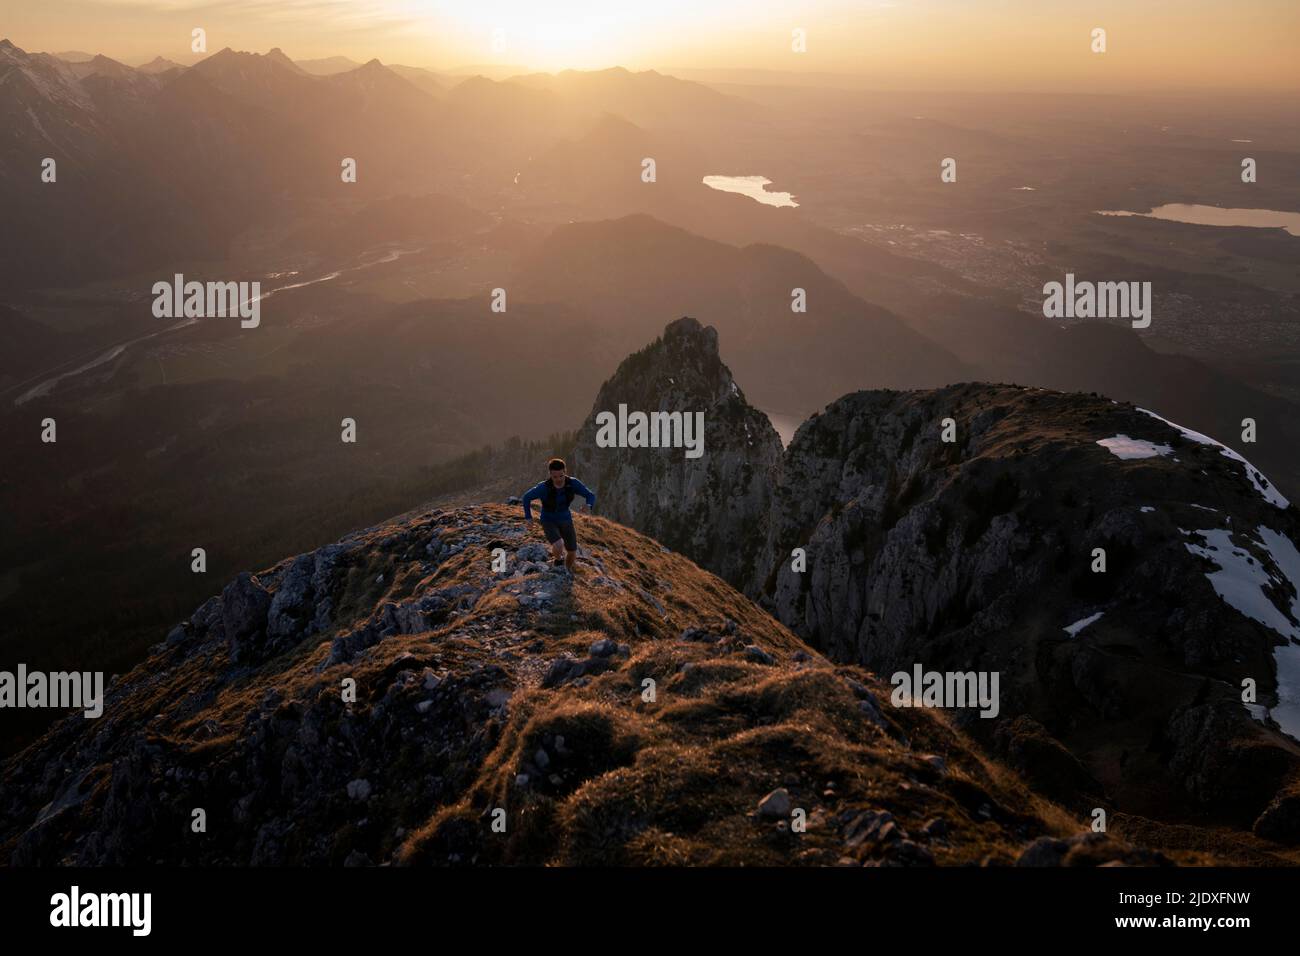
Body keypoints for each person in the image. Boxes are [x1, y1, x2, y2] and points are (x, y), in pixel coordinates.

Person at [521, 458, 596, 572]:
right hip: (548, 520)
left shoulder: (573, 483)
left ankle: (567, 570)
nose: (558, 479)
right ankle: (558, 560)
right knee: (559, 544)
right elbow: (526, 497)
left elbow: (590, 495)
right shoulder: (543, 487)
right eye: (555, 477)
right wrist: (528, 517)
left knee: (572, 551)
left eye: (561, 476)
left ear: (565, 472)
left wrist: (588, 505)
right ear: (550, 474)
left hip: (566, 519)